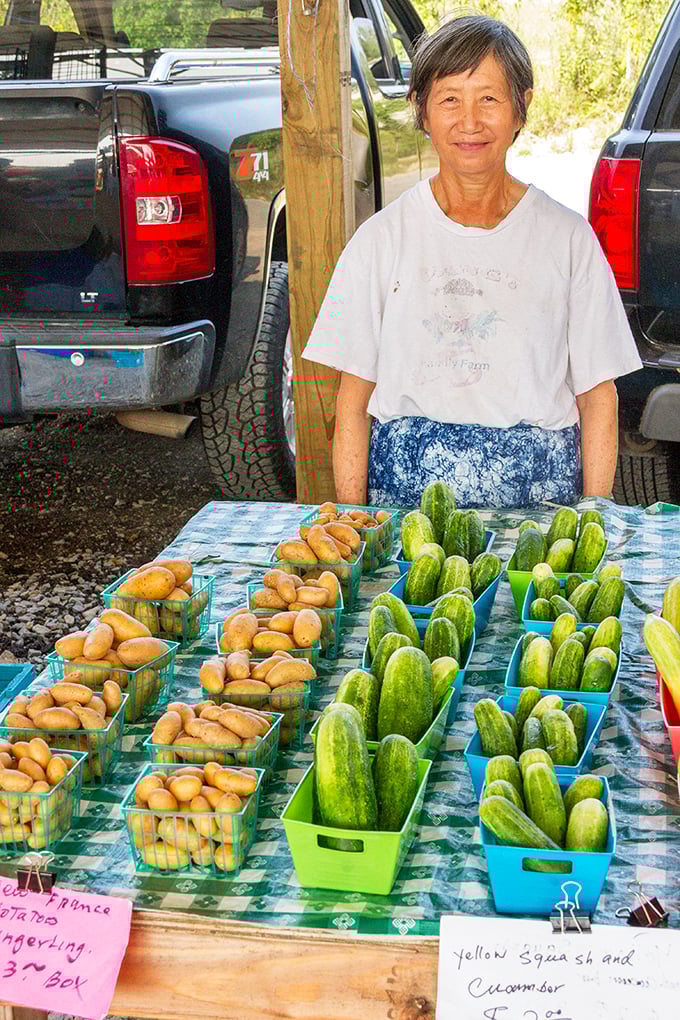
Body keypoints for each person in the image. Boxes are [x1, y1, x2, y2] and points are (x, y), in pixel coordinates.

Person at [301, 14, 642, 510]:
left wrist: (591, 518)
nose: (469, 121)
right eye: (449, 99)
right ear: (421, 110)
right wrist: (356, 522)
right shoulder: (378, 240)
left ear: (521, 108)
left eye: (488, 98)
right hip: (406, 510)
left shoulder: (569, 238)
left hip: (540, 512)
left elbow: (598, 396)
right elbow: (351, 403)